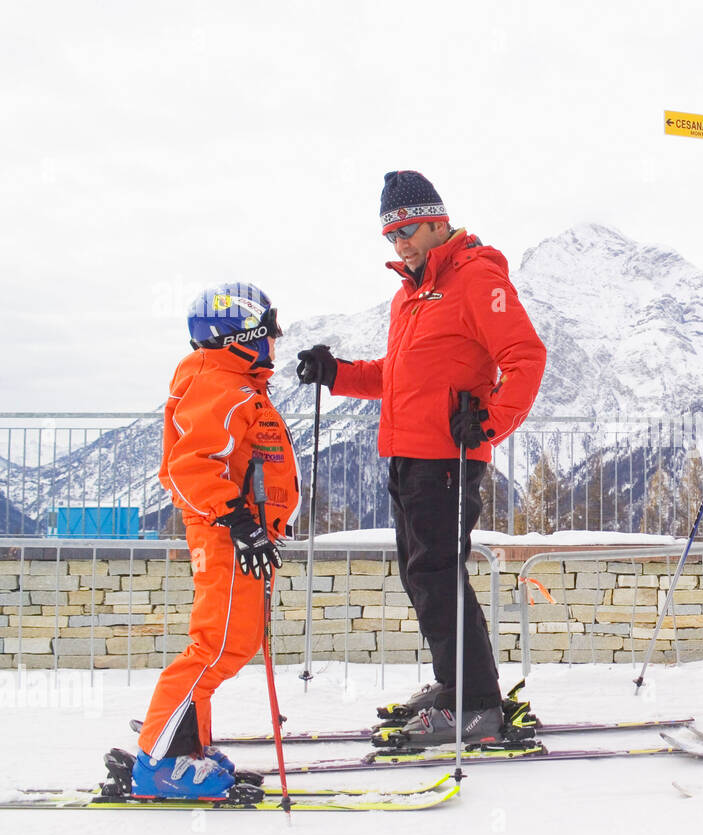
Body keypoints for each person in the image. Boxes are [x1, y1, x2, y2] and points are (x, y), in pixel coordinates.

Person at [296, 170, 546, 746]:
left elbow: (526, 356)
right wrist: (337, 374)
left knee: (438, 576)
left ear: (438, 221)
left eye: (409, 230)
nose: (401, 243)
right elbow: (397, 377)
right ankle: (458, 687)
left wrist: (489, 421)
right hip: (408, 456)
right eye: (391, 236)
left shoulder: (477, 278)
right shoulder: (411, 294)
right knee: (425, 577)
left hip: (447, 459)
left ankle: (476, 704)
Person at [133, 283, 299, 798]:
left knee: (230, 641)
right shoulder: (220, 385)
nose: (274, 337)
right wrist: (237, 520)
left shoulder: (236, 382)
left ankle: (187, 748)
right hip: (228, 534)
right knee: (217, 646)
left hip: (242, 534)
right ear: (241, 334)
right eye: (268, 328)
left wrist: (255, 524)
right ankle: (159, 762)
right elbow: (187, 467)